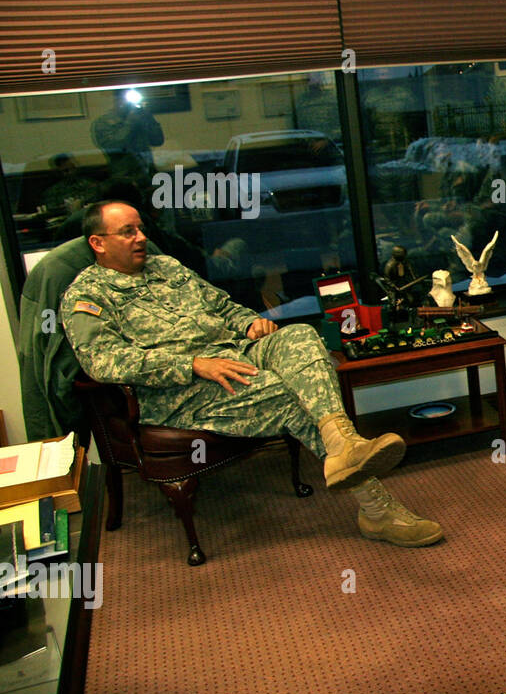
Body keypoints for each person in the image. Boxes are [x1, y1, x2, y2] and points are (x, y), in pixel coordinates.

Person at [60, 201, 443, 548]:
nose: (141, 237)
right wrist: (191, 364)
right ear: (98, 242)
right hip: (182, 390)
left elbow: (222, 306)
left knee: (301, 337)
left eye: (141, 228)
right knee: (291, 393)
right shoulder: (88, 296)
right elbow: (104, 362)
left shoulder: (167, 268)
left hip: (234, 354)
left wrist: (250, 325)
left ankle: (340, 442)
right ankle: (377, 510)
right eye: (128, 232)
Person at [91, 89, 164, 192]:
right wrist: (130, 123)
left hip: (148, 176)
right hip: (123, 178)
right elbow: (115, 147)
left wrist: (149, 119)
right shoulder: (104, 123)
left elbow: (158, 140)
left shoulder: (142, 118)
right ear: (117, 100)